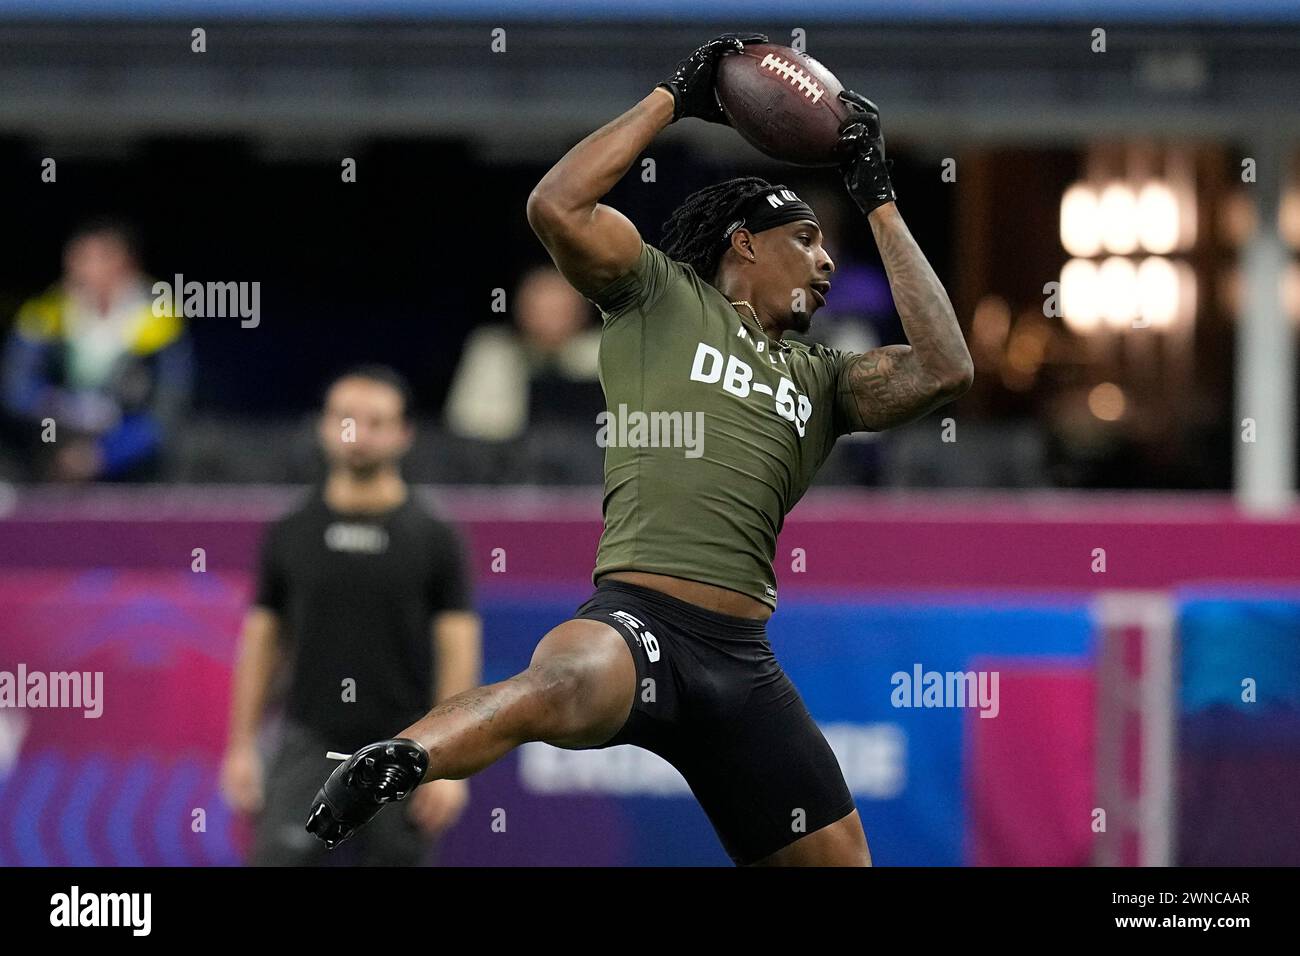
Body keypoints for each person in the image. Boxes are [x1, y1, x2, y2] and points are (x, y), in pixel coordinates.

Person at [306, 34, 972, 866]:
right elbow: (557, 208)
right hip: (640, 621)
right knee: (559, 684)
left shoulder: (825, 378)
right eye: (806, 240)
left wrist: (878, 199)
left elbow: (947, 366)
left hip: (741, 662)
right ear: (743, 244)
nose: (828, 261)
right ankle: (403, 758)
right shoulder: (660, 295)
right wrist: (673, 97)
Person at [221, 365, 482, 865]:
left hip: (404, 744)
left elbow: (458, 650)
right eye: (345, 419)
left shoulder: (434, 537)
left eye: (376, 421)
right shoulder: (291, 531)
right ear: (323, 426)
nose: (358, 434)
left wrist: (449, 764)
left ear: (404, 433)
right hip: (306, 740)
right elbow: (261, 642)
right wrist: (241, 747)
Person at [1, 218, 191, 481]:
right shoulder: (46, 313)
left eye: (99, 259)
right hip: (55, 445)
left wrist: (104, 455)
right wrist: (61, 409)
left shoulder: (158, 319)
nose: (84, 270)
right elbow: (16, 389)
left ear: (126, 265)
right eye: (78, 259)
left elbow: (167, 411)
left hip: (130, 460)